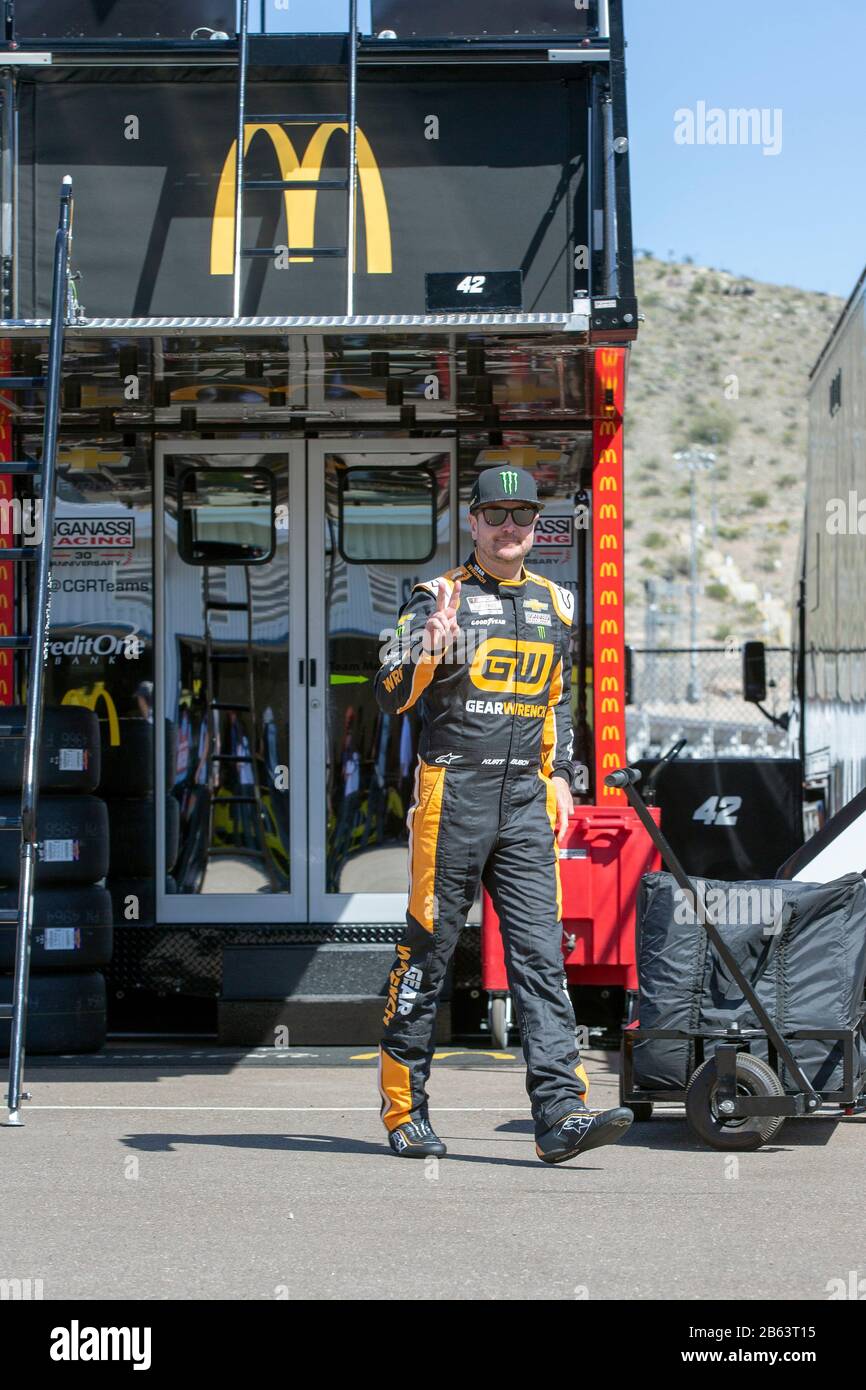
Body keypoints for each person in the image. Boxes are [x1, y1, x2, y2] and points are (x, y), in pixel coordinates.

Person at [374, 466, 633, 1164]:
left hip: (523, 799)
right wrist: (430, 646)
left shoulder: (556, 603)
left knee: (542, 960)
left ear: (537, 525)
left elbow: (556, 698)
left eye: (523, 515)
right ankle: (404, 1110)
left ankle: (561, 1116)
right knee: (427, 954)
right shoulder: (438, 596)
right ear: (473, 522)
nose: (510, 527)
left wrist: (558, 776)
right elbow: (389, 693)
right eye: (496, 515)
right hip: (451, 795)